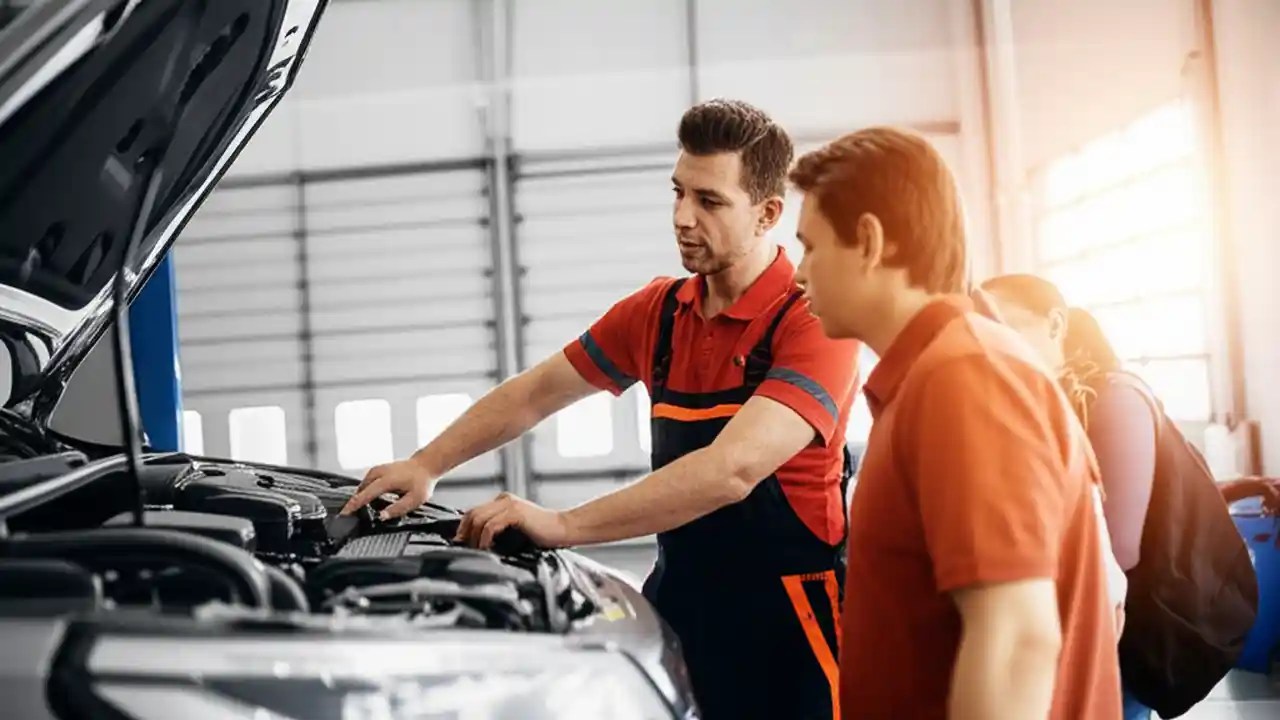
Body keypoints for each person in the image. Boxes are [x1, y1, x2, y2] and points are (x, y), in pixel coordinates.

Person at [342, 99, 861, 720]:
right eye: (677, 193)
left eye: (709, 201)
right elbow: (536, 392)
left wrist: (563, 525)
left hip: (790, 631)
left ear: (768, 213)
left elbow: (734, 469)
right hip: (680, 607)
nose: (682, 218)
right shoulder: (659, 313)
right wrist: (428, 462)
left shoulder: (814, 317)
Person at [787, 127, 1122, 719]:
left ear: (869, 242)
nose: (799, 273)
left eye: (810, 247)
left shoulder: (965, 377)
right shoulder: (934, 376)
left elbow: (1017, 641)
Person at [980, 272, 1280, 719]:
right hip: (1088, 623)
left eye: (1007, 327)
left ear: (1056, 325)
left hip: (1124, 630)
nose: (995, 346)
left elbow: (1116, 548)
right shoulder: (1050, 402)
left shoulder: (1112, 399)